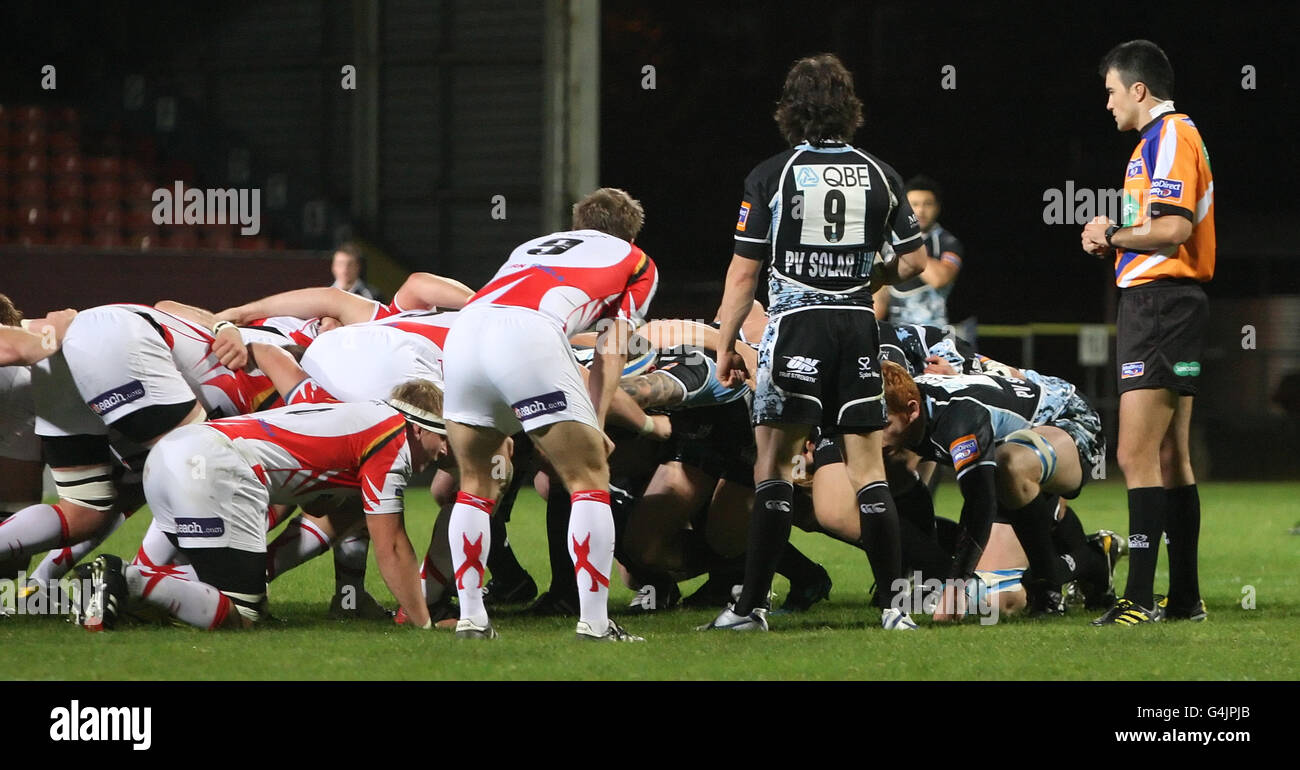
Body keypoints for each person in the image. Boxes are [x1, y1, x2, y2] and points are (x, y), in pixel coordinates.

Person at [706, 53, 928, 632]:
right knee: (868, 468)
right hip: (857, 326)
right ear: (850, 110)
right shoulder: (881, 173)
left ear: (791, 109)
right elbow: (914, 262)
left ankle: (750, 608)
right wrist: (869, 279)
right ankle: (895, 608)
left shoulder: (772, 174)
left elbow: (741, 275)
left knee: (774, 466)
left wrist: (726, 345)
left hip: (797, 325)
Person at [440, 186, 658, 642]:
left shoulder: (532, 244)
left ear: (579, 224)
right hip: (528, 334)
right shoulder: (637, 261)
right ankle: (596, 624)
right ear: (630, 231)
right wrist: (596, 424)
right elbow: (612, 346)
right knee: (588, 478)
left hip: (464, 332)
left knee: (475, 484)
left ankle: (472, 619)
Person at [1081, 40, 1214, 625]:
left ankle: (1136, 599)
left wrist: (1109, 235)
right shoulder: (1160, 141)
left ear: (1139, 90)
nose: (1107, 103)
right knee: (1169, 454)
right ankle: (1183, 598)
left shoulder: (1168, 138)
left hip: (1159, 306)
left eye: (1111, 92)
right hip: (1168, 306)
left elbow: (1174, 227)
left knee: (1134, 453)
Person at [873, 176, 965, 328]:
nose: (921, 210)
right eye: (914, 204)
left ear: (938, 207)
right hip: (898, 332)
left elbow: (939, 279)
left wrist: (907, 244)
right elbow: (880, 299)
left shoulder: (947, 241)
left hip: (936, 333)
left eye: (927, 204)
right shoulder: (889, 240)